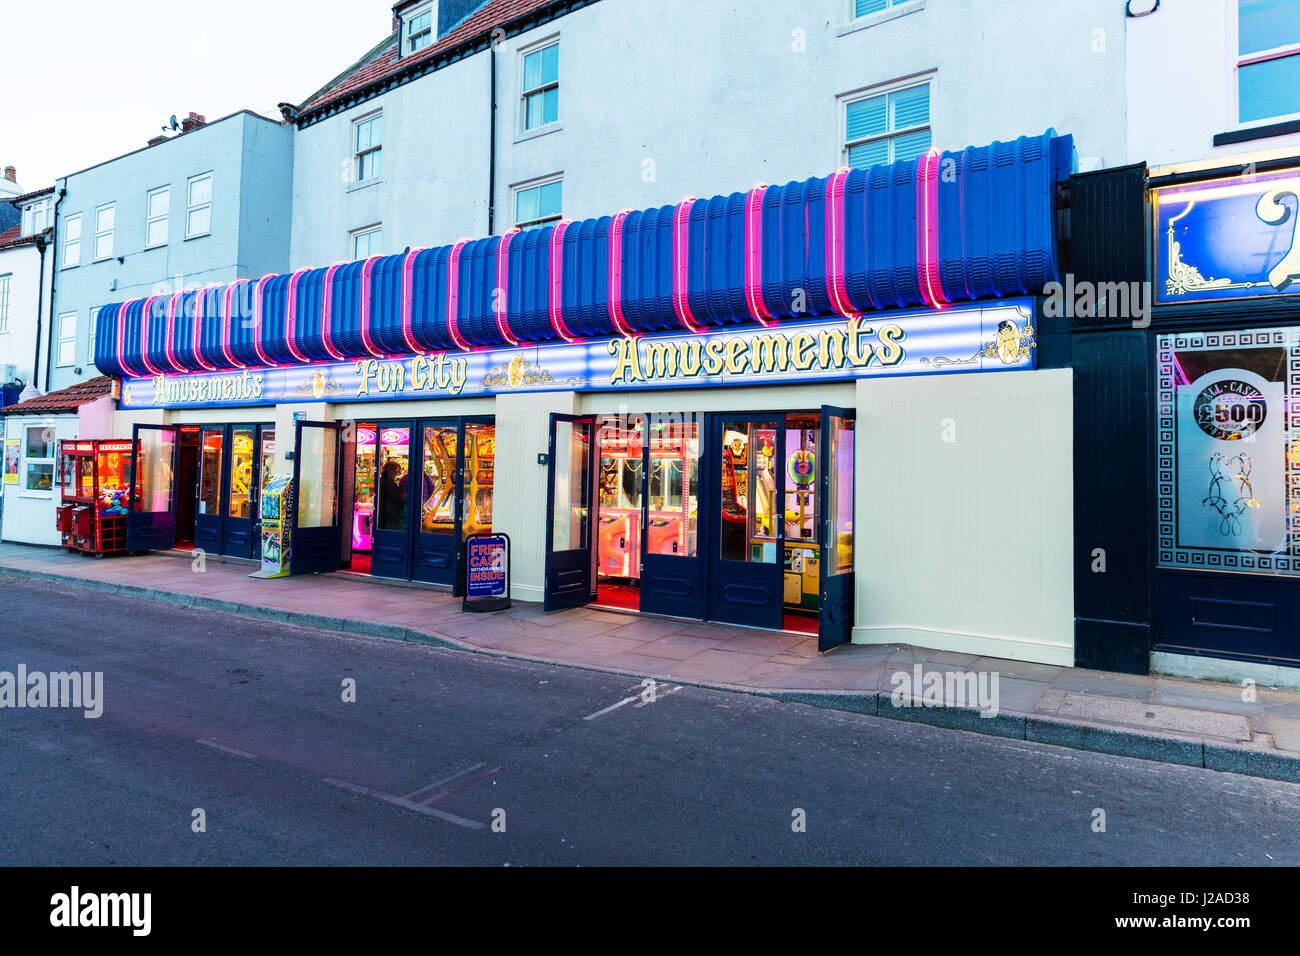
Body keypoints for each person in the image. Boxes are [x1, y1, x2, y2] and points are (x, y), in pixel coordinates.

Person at [379, 459, 406, 530]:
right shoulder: (389, 483)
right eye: (396, 472)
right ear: (391, 471)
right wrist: (404, 498)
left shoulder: (381, 481)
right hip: (390, 516)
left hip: (384, 515)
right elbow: (397, 499)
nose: (396, 474)